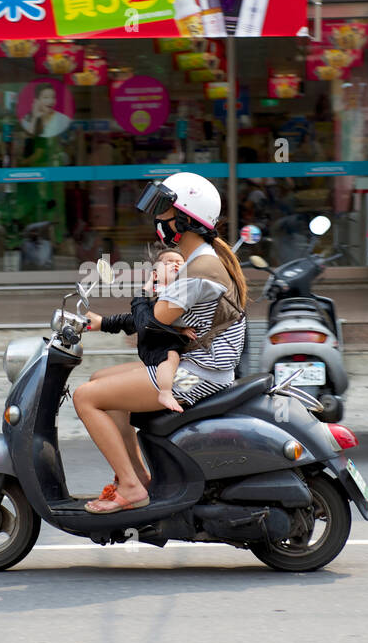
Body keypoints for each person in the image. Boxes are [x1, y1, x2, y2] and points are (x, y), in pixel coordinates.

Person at [72, 172, 248, 514]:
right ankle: (137, 475)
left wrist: (142, 291)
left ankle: (131, 486)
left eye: (164, 212)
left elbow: (152, 323)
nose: (158, 220)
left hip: (200, 374)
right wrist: (102, 323)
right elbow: (155, 319)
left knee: (84, 398)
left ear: (185, 217)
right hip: (193, 363)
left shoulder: (200, 268)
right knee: (97, 382)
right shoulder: (200, 259)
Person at [87, 249, 194, 414]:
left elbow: (157, 321)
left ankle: (165, 392)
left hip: (166, 348)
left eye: (180, 263)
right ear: (156, 275)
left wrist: (181, 330)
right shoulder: (160, 294)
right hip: (155, 346)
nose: (175, 265)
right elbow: (142, 319)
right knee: (97, 377)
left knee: (171, 358)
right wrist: (104, 323)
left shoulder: (187, 292)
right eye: (168, 263)